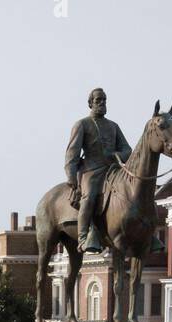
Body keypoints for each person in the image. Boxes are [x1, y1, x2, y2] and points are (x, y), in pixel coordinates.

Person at [65, 88, 130, 254]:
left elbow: (127, 150)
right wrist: (71, 177)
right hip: (91, 171)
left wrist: (117, 154)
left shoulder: (113, 126)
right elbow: (72, 154)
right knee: (89, 198)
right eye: (98, 100)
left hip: (113, 170)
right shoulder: (82, 124)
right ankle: (83, 238)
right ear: (90, 103)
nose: (102, 103)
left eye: (104, 100)